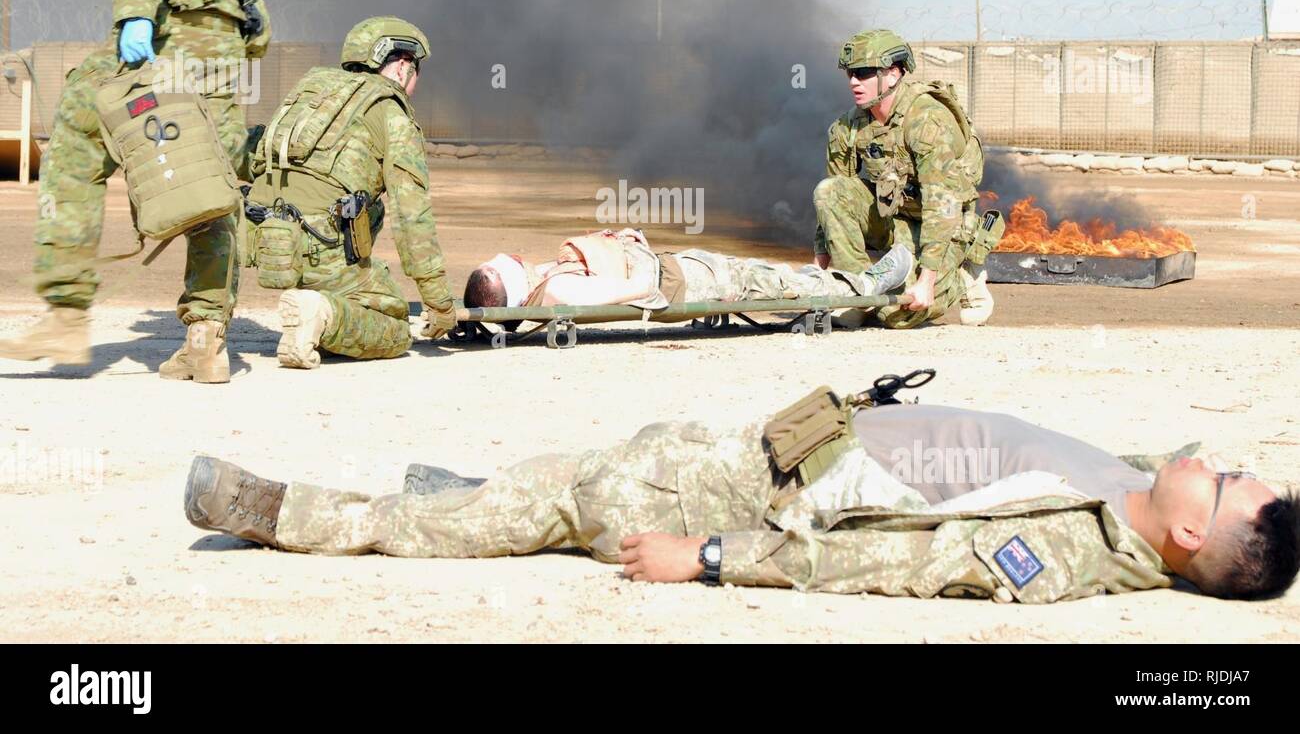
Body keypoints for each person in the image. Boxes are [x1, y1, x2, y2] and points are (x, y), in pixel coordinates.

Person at [182, 386, 1298, 602]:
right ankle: (478, 497)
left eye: (1232, 480)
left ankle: (291, 515)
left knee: (569, 499)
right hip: (773, 450)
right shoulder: (1134, 494)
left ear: (1193, 531)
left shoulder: (1059, 553)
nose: (1220, 456)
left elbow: (895, 566)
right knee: (570, 482)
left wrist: (707, 560)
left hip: (752, 499)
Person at [0, 0, 271, 383]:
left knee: (73, 138)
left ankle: (65, 314)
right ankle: (207, 337)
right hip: (220, 34)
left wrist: (134, 18)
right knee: (211, 179)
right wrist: (250, 27)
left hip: (165, 29)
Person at [242, 17, 455, 369]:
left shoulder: (310, 92)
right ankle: (321, 312)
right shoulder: (391, 113)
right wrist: (439, 303)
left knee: (365, 209)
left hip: (263, 238)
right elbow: (412, 217)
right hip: (319, 246)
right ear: (402, 67)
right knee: (394, 328)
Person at [813, 29, 997, 330]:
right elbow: (833, 201)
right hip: (894, 219)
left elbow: (943, 203)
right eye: (850, 74)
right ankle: (856, 291)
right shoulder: (848, 127)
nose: (853, 82)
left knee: (898, 316)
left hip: (942, 224)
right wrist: (820, 267)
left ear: (894, 74)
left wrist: (927, 280)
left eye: (863, 73)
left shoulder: (927, 120)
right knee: (829, 192)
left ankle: (966, 273)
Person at [461, 228, 914, 312]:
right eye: (508, 266)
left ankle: (850, 285)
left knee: (778, 276)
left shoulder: (546, 282)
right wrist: (632, 245)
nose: (515, 257)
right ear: (515, 285)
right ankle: (867, 285)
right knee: (783, 284)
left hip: (683, 269)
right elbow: (639, 289)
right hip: (689, 282)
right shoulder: (560, 293)